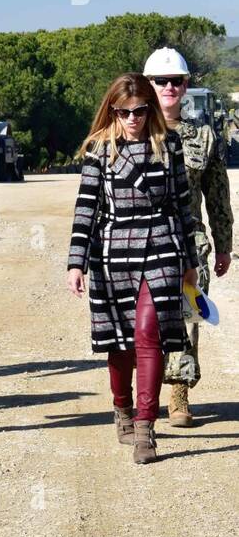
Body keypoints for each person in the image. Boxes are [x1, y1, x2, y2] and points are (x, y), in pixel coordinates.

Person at [67, 73, 200, 463]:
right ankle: (122, 408)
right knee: (119, 344)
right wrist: (76, 262)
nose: (132, 118)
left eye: (140, 110)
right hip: (111, 254)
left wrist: (190, 262)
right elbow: (86, 207)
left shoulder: (168, 144)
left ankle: (146, 426)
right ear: (113, 110)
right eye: (124, 111)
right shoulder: (99, 149)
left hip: (162, 244)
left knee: (148, 334)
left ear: (150, 109)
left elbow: (182, 205)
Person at [142, 48, 232, 426]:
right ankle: (142, 395)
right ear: (148, 85)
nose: (168, 87)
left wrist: (225, 245)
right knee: (143, 321)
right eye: (161, 81)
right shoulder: (130, 128)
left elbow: (218, 194)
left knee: (187, 316)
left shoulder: (205, 137)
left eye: (176, 81)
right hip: (140, 240)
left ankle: (178, 395)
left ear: (186, 85)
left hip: (189, 242)